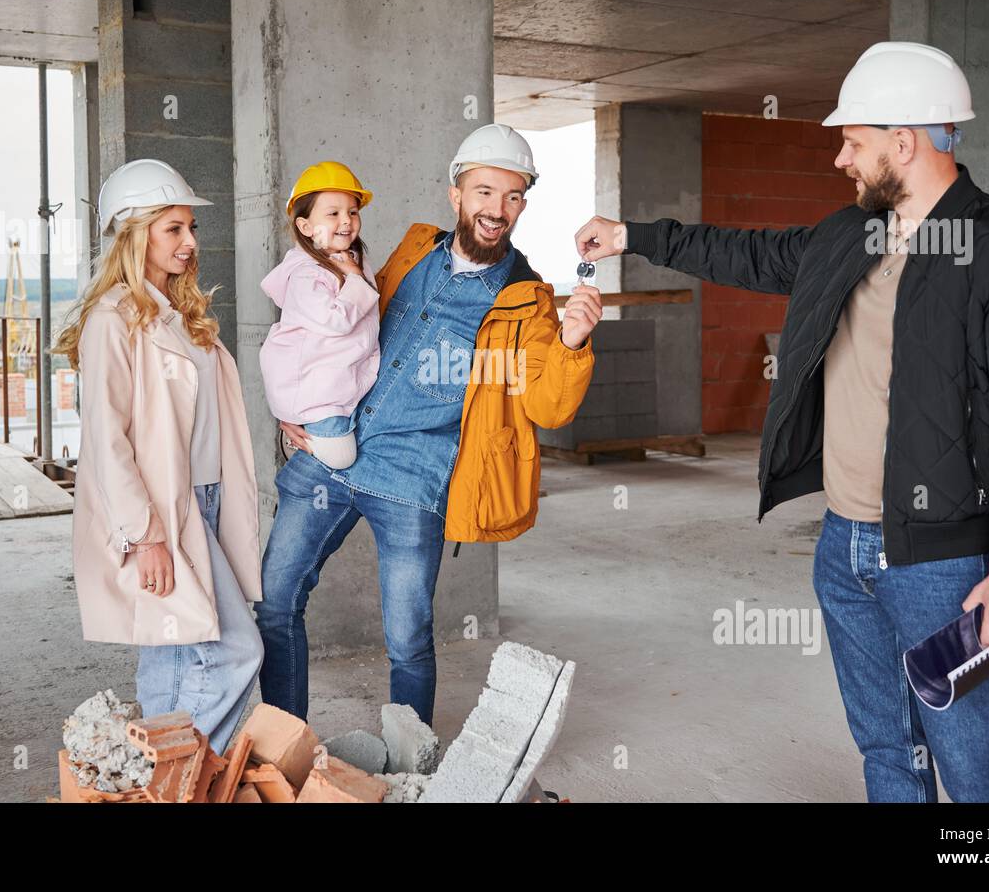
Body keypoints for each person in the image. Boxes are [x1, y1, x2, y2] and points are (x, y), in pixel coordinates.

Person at [574, 42, 989, 802]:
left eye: (854, 141)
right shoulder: (855, 235)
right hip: (843, 542)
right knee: (886, 748)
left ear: (903, 143)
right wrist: (635, 237)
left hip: (940, 562)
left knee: (973, 764)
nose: (842, 159)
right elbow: (747, 254)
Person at [257, 124, 602, 725]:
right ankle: (283, 748)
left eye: (513, 196)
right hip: (335, 450)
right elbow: (334, 336)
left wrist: (572, 342)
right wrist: (299, 408)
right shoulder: (414, 250)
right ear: (457, 195)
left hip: (413, 480)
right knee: (275, 604)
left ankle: (407, 766)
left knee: (409, 640)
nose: (498, 210)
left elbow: (549, 406)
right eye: (485, 192)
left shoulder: (527, 296)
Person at [56, 158, 265, 753]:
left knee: (172, 655)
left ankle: (158, 781)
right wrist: (144, 533)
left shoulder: (178, 314)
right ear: (134, 232)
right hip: (162, 513)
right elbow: (105, 439)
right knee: (235, 650)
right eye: (173, 228)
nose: (190, 242)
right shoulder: (110, 321)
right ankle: (169, 774)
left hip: (204, 498)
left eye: (190, 228)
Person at [259, 161, 380, 470]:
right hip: (318, 393)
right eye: (333, 213)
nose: (346, 221)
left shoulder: (350, 259)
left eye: (353, 211)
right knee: (342, 458)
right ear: (306, 227)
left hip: (342, 383)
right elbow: (336, 320)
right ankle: (299, 448)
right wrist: (354, 280)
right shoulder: (306, 275)